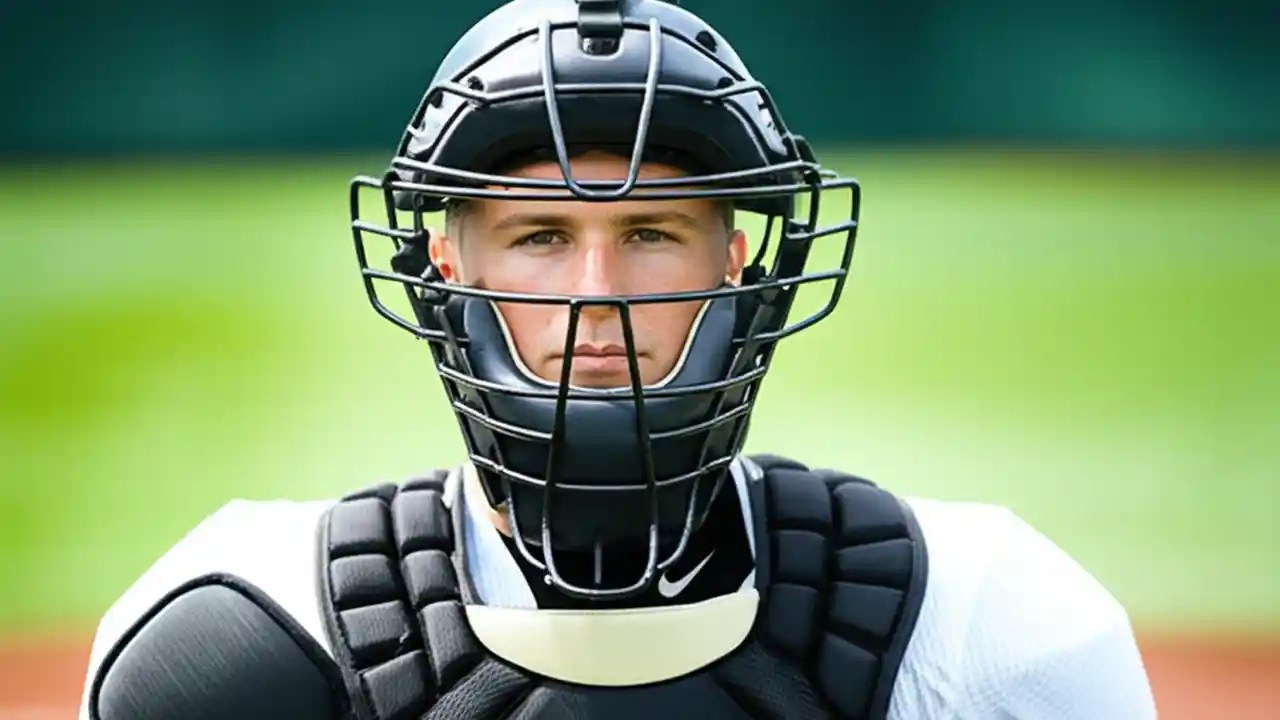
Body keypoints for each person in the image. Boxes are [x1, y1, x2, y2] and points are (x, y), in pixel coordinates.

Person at [77, 1, 1157, 718]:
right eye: (540, 237)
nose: (598, 295)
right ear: (445, 269)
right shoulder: (243, 638)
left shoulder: (986, 629)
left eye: (649, 234)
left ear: (737, 265)